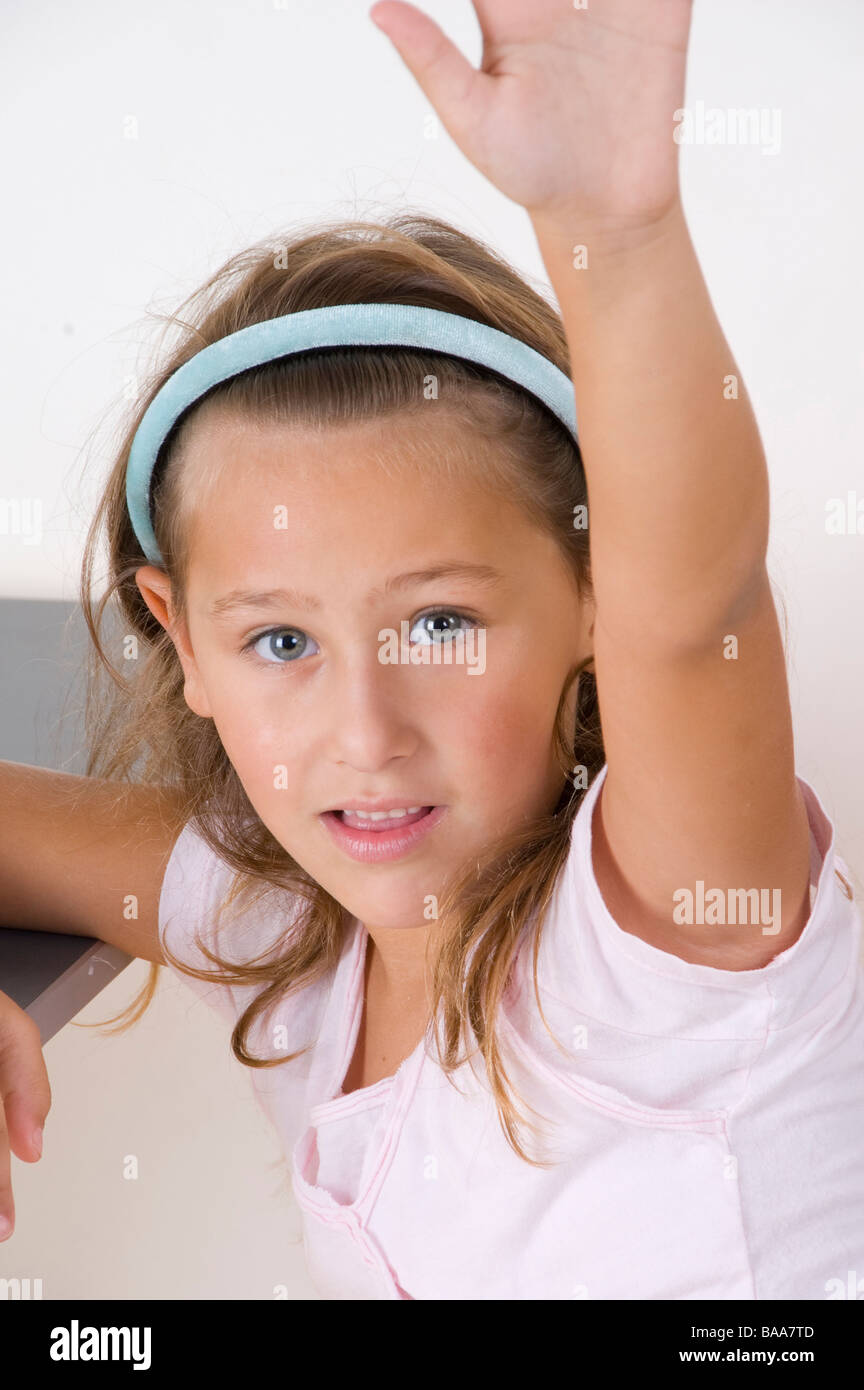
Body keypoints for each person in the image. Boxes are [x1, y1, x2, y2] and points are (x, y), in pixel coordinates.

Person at [1, 0, 862, 1299]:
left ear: (592, 599)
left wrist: (615, 238)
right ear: (180, 635)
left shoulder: (658, 945)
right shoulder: (290, 915)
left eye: (442, 622)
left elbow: (696, 618)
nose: (365, 730)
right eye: (281, 637)